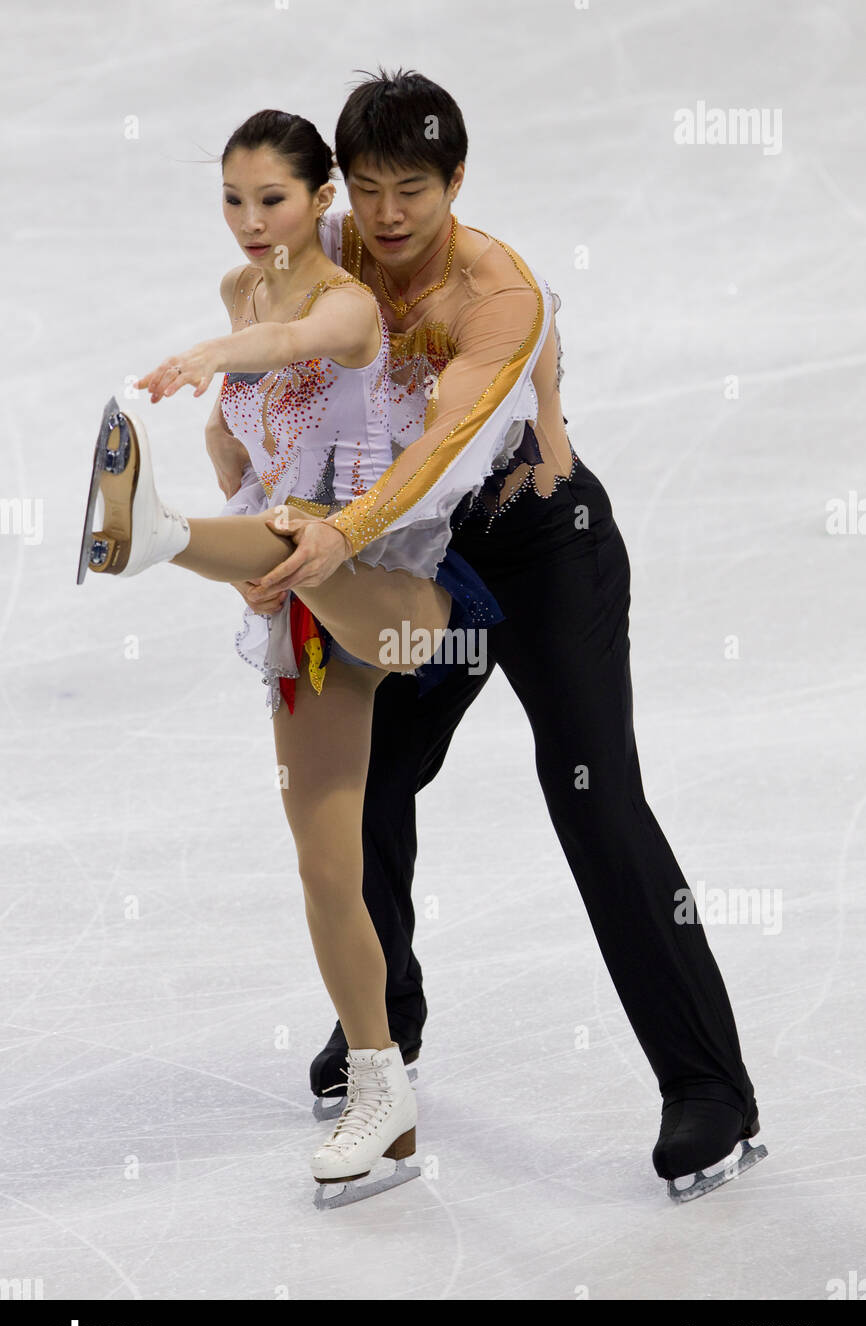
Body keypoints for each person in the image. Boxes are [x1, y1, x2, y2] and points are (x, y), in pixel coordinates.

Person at [224, 70, 766, 1202]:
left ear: (455, 180)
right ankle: (386, 1014)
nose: (384, 216)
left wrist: (346, 532)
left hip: (544, 546)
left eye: (410, 190)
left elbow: (444, 434)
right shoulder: (326, 246)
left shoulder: (495, 286)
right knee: (369, 777)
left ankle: (708, 1088)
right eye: (364, 189)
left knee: (590, 790)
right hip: (427, 562)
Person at [78, 109, 507, 1201]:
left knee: (306, 543)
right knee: (327, 867)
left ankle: (155, 538)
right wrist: (227, 428)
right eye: (232, 200)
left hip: (409, 592)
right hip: (298, 601)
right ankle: (383, 1092)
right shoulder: (240, 292)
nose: (250, 222)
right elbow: (251, 431)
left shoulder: (345, 299)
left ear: (320, 199)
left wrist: (227, 356)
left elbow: (293, 347)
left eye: (272, 199)